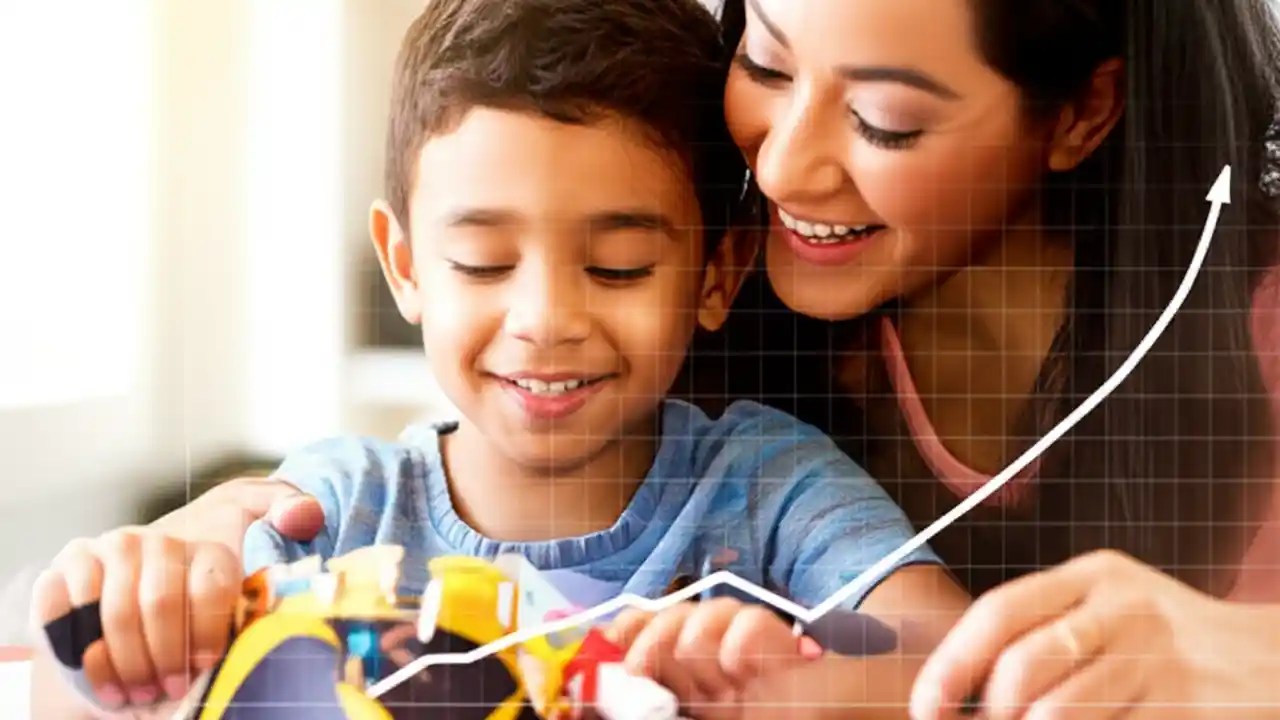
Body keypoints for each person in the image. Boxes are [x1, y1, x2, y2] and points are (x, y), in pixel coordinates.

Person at [26, 0, 971, 717]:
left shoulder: (769, 489)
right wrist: (117, 600)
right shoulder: (338, 506)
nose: (545, 319)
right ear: (406, 267)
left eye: (617, 265)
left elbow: (958, 661)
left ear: (717, 272)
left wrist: (798, 673)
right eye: (482, 263)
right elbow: (91, 663)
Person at [656, 0, 1280, 717]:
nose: (781, 170)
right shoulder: (707, 331)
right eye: (765, 64)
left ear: (1084, 113)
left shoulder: (1252, 336)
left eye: (885, 120)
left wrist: (1254, 662)